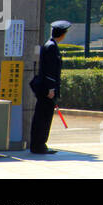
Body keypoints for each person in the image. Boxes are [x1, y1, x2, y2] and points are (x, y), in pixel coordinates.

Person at [28, 20, 71, 154]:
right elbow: (50, 71)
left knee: (42, 117)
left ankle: (38, 144)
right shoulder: (52, 47)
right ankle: (39, 145)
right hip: (47, 90)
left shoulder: (48, 45)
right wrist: (51, 89)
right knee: (44, 118)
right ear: (62, 34)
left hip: (44, 89)